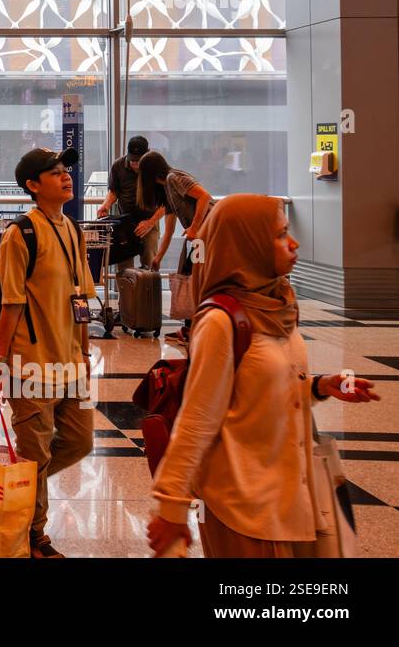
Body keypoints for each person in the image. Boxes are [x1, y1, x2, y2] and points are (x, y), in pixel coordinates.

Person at [146, 195, 380, 558]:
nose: (294, 242)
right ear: (246, 244)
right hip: (244, 508)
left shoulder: (279, 302)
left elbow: (264, 382)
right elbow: (197, 420)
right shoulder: (221, 321)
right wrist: (172, 507)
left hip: (294, 499)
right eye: (280, 234)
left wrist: (319, 386)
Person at [0, 147, 97, 558]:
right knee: (35, 451)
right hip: (29, 365)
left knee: (80, 442)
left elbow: (82, 297)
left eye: (65, 171)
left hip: (71, 363)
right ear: (33, 186)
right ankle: (35, 535)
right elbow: (10, 306)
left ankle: (21, 488)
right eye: (54, 173)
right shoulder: (20, 234)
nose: (65, 177)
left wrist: (85, 352)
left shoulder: (74, 230)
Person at [136, 151, 213, 274]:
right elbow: (169, 231)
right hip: (202, 237)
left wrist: (193, 228)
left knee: (194, 274)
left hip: (211, 232)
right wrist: (158, 258)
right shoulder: (167, 190)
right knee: (192, 273)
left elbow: (204, 197)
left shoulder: (173, 178)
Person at [97, 135, 158, 274]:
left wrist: (150, 222)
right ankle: (126, 295)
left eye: (138, 160)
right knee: (124, 264)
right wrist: (105, 205)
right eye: (132, 160)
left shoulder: (155, 167)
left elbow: (165, 203)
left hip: (149, 221)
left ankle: (148, 294)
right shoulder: (118, 166)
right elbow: (114, 191)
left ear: (147, 153)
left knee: (149, 262)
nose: (134, 163)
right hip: (125, 222)